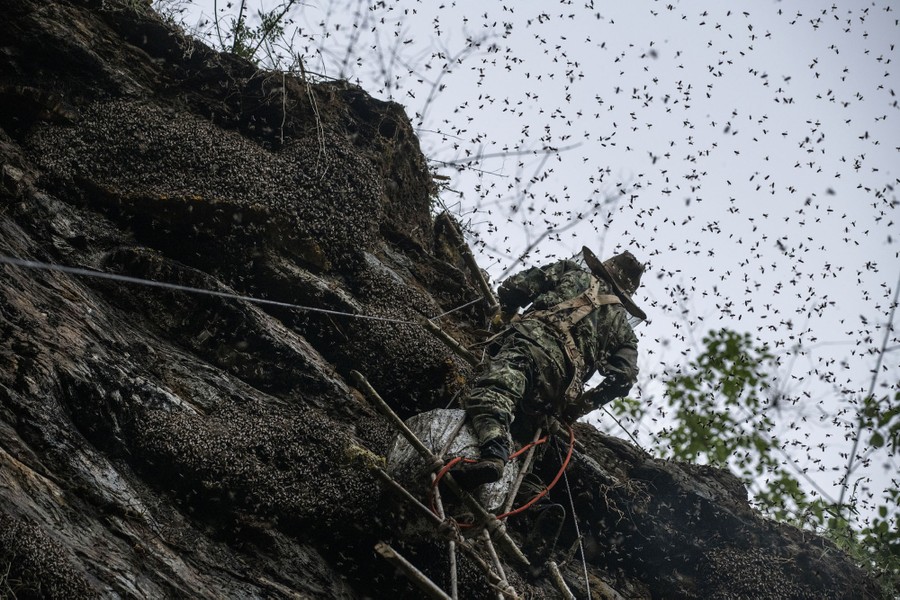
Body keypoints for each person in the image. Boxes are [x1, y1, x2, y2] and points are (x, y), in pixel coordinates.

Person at [452, 246, 646, 490]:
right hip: (561, 387)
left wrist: (507, 314)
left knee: (493, 395)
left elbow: (515, 287)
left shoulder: (571, 272)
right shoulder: (624, 330)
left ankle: (494, 453)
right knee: (527, 434)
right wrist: (576, 408)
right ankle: (520, 490)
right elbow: (624, 378)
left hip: (530, 345)